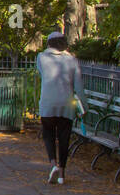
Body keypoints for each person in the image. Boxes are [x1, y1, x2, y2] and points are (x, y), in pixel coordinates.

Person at [36, 31, 85, 185]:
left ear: (49, 43)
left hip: (48, 103)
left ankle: (53, 165)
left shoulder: (41, 57)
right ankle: (62, 174)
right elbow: (79, 86)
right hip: (66, 103)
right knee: (64, 138)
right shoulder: (72, 60)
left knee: (48, 135)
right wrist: (85, 107)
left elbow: (41, 74)